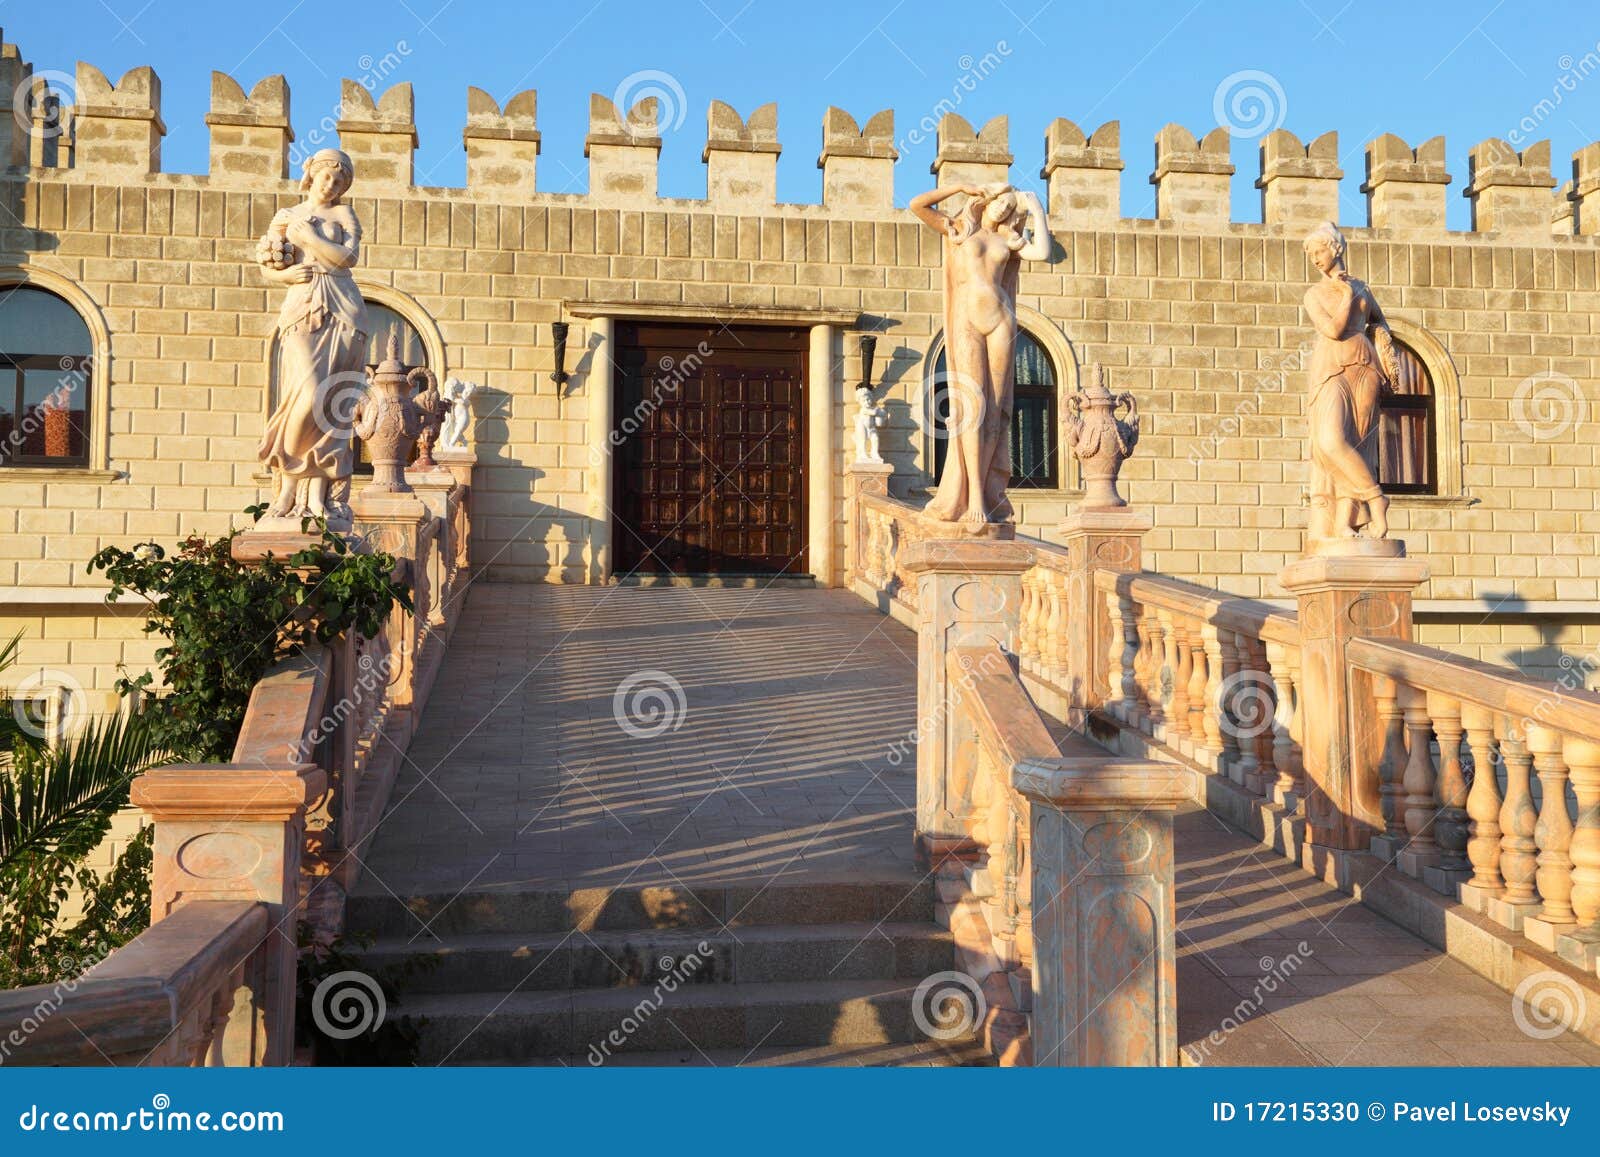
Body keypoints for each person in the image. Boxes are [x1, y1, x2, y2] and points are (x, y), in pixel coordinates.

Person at [911, 182, 1052, 525]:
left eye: (1009, 205)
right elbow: (917, 204)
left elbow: (1042, 253)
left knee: (995, 408)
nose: (1003, 208)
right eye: (1000, 201)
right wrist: (959, 187)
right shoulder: (958, 229)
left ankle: (987, 495)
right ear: (985, 201)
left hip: (1001, 320)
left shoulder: (1008, 241)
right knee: (971, 407)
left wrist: (1037, 212)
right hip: (968, 320)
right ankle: (973, 494)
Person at [258, 148, 370, 523]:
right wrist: (284, 276)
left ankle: (318, 491)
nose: (332, 185)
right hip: (303, 303)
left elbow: (348, 259)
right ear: (312, 175)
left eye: (340, 182)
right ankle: (289, 482)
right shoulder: (286, 215)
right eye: (327, 177)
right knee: (304, 393)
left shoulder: (344, 214)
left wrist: (309, 238)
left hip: (345, 307)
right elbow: (268, 265)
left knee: (332, 400)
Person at [1301, 221, 1399, 543]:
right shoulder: (1315, 294)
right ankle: (1375, 497)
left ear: (1336, 248)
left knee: (1357, 443)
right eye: (1311, 254)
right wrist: (1345, 295)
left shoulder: (1363, 287)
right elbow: (1334, 330)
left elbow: (1379, 322)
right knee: (1331, 442)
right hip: (1330, 366)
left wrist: (1384, 346)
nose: (1315, 259)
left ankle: (1345, 523)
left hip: (1365, 366)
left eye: (1319, 251)